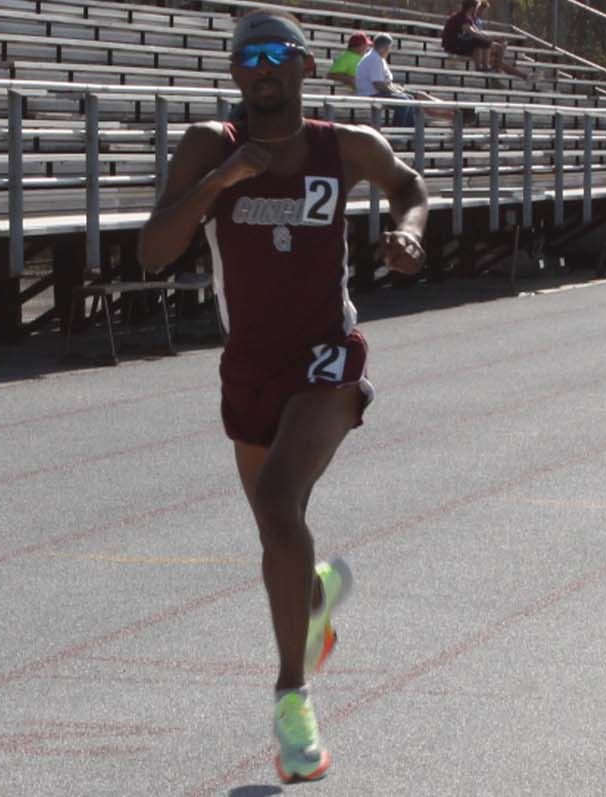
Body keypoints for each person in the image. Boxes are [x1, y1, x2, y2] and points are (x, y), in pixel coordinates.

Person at [136, 9, 428, 784]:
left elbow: (410, 186)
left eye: (276, 55)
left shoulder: (346, 146)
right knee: (280, 535)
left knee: (275, 501)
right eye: (246, 59)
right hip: (250, 363)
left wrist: (411, 232)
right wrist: (221, 183)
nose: (261, 68)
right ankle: (318, 592)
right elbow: (153, 249)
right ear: (235, 75)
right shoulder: (211, 146)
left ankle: (292, 699)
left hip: (326, 352)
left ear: (304, 65)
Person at [354, 32, 456, 127]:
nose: (388, 51)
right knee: (405, 100)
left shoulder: (377, 57)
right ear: (384, 48)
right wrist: (395, 91)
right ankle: (398, 130)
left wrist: (396, 89)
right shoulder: (374, 59)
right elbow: (378, 84)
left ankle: (410, 128)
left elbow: (384, 82)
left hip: (377, 91)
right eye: (388, 48)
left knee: (411, 98)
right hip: (372, 93)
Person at [441, 0, 530, 80]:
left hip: (461, 44)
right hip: (452, 45)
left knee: (491, 52)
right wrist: (491, 42)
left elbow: (479, 32)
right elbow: (473, 33)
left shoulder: (468, 18)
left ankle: (494, 68)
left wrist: (494, 39)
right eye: (477, 8)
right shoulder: (462, 18)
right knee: (481, 43)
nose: (477, 10)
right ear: (472, 8)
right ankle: (484, 67)